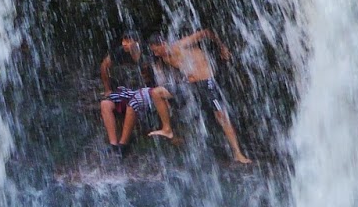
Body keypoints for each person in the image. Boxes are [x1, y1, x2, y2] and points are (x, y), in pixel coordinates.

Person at [148, 29, 252, 164]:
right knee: (157, 93)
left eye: (156, 50)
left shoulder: (178, 45)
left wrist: (222, 47)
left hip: (207, 83)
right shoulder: (164, 58)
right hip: (191, 86)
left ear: (162, 43)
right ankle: (167, 129)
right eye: (153, 51)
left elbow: (206, 33)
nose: (155, 53)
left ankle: (238, 153)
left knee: (221, 116)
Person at [99, 32, 174, 157]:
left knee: (132, 103)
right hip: (128, 90)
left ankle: (123, 145)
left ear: (136, 42)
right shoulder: (119, 52)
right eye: (123, 40)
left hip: (149, 91)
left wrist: (162, 92)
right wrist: (107, 89)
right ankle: (113, 145)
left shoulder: (148, 51)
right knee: (105, 104)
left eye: (128, 41)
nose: (124, 44)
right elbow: (104, 66)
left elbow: (160, 70)